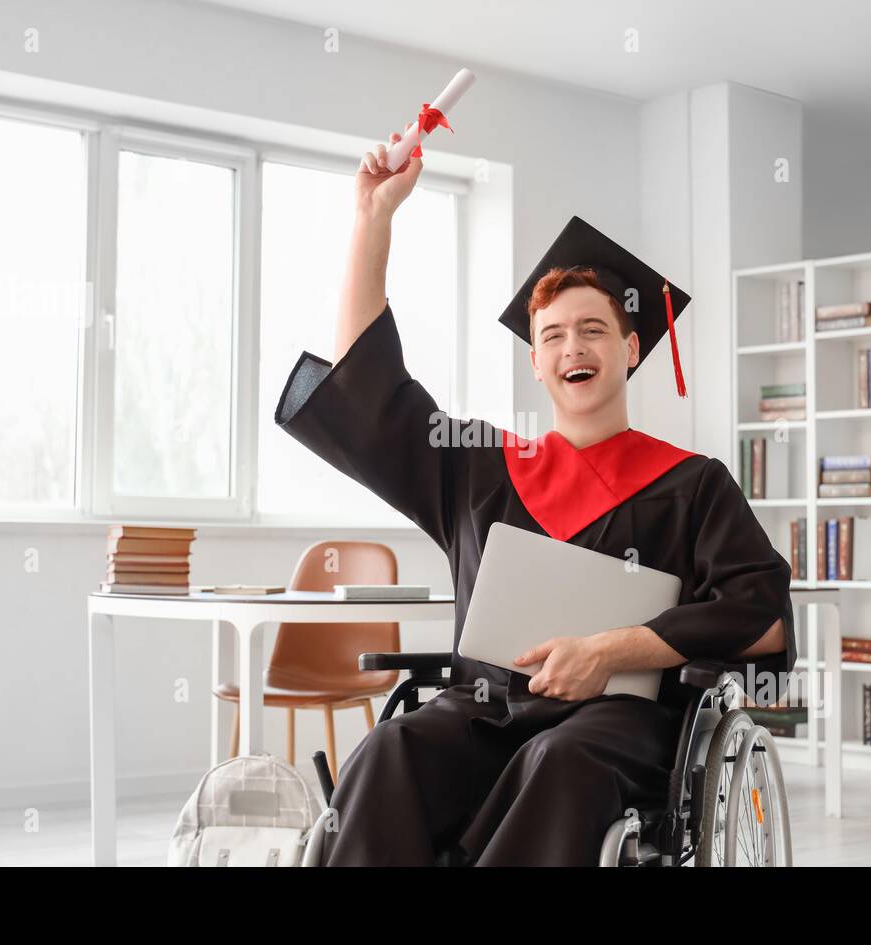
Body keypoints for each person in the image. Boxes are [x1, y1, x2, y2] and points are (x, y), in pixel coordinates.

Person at [274, 128, 796, 866]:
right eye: (552, 336)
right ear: (536, 363)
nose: (572, 348)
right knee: (395, 747)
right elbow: (369, 397)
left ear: (632, 348)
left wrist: (613, 651)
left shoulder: (692, 483)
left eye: (593, 330)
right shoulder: (481, 466)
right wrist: (373, 219)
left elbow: (763, 622)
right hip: (483, 711)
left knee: (561, 759)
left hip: (617, 723)